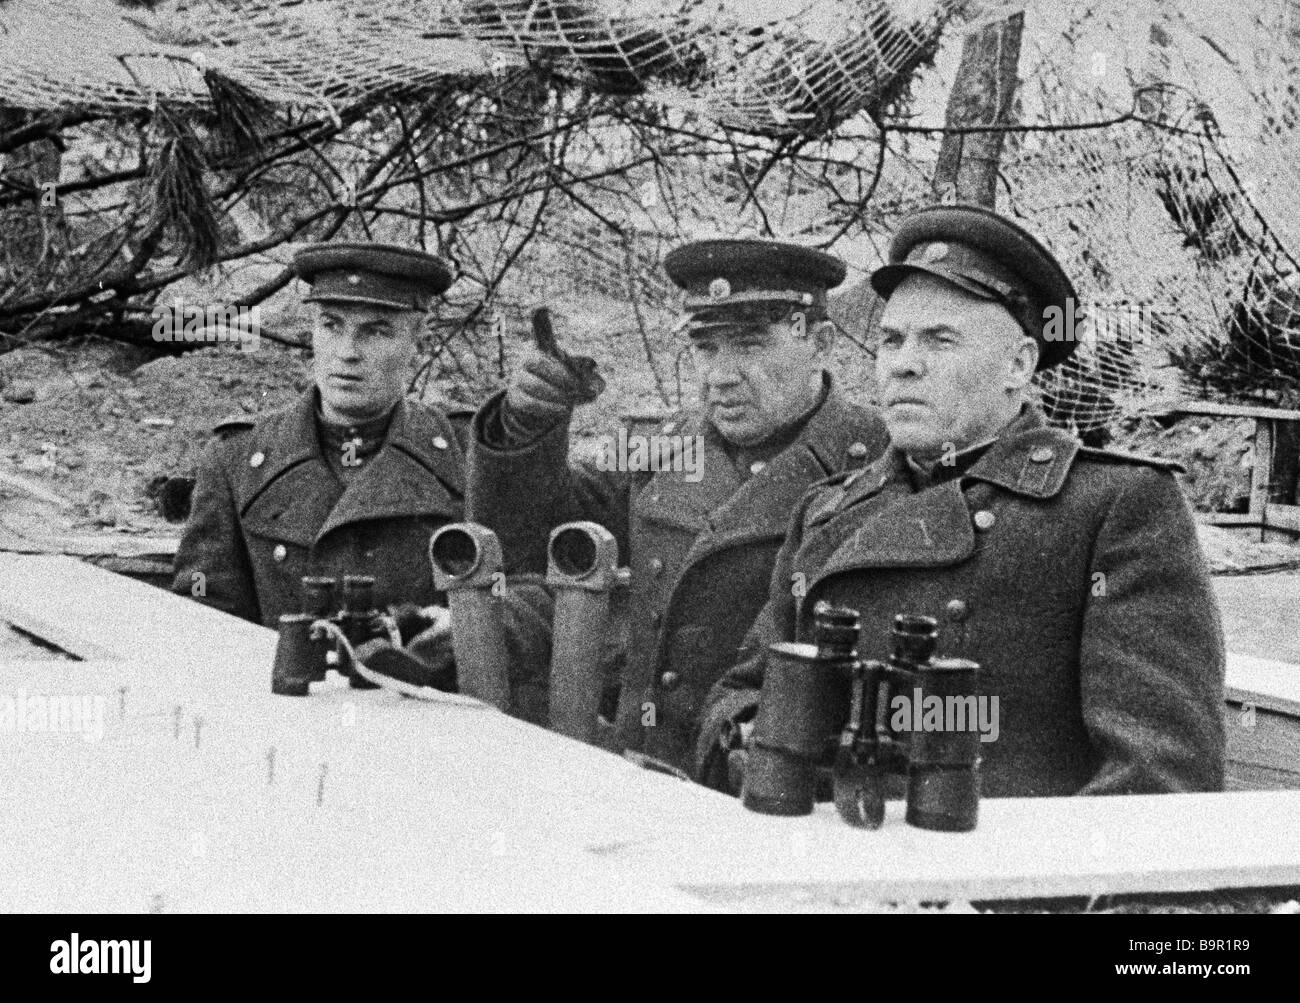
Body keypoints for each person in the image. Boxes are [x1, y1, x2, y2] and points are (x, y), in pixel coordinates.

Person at [697, 205, 1226, 797]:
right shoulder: (827, 511)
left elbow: (1157, 775)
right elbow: (743, 692)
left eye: (939, 341)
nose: (904, 364)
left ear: (1018, 365)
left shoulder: (1112, 506)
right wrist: (762, 753)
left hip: (992, 876)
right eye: (891, 340)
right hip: (823, 860)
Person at [466, 239, 889, 773]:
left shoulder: (876, 461)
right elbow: (535, 546)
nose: (721, 375)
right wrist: (524, 427)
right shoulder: (662, 447)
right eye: (706, 348)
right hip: (643, 769)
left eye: (752, 345)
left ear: (820, 343)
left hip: (764, 774)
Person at [172, 241, 551, 714]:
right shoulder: (239, 459)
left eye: (376, 332)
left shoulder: (468, 454)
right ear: (312, 333)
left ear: (419, 344)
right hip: (285, 719)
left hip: (433, 726)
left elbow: (535, 591)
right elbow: (201, 622)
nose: (347, 353)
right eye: (332, 326)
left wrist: (467, 629)